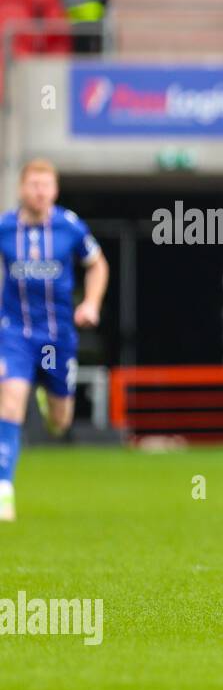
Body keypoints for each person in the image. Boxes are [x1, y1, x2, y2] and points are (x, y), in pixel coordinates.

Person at [0, 160, 110, 522]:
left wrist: (91, 303)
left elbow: (97, 264)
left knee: (60, 422)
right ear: (21, 188)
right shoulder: (5, 227)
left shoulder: (69, 226)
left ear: (55, 190)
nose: (40, 191)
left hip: (57, 338)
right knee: (10, 401)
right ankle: (4, 489)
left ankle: (52, 399)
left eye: (46, 185)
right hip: (15, 333)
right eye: (33, 185)